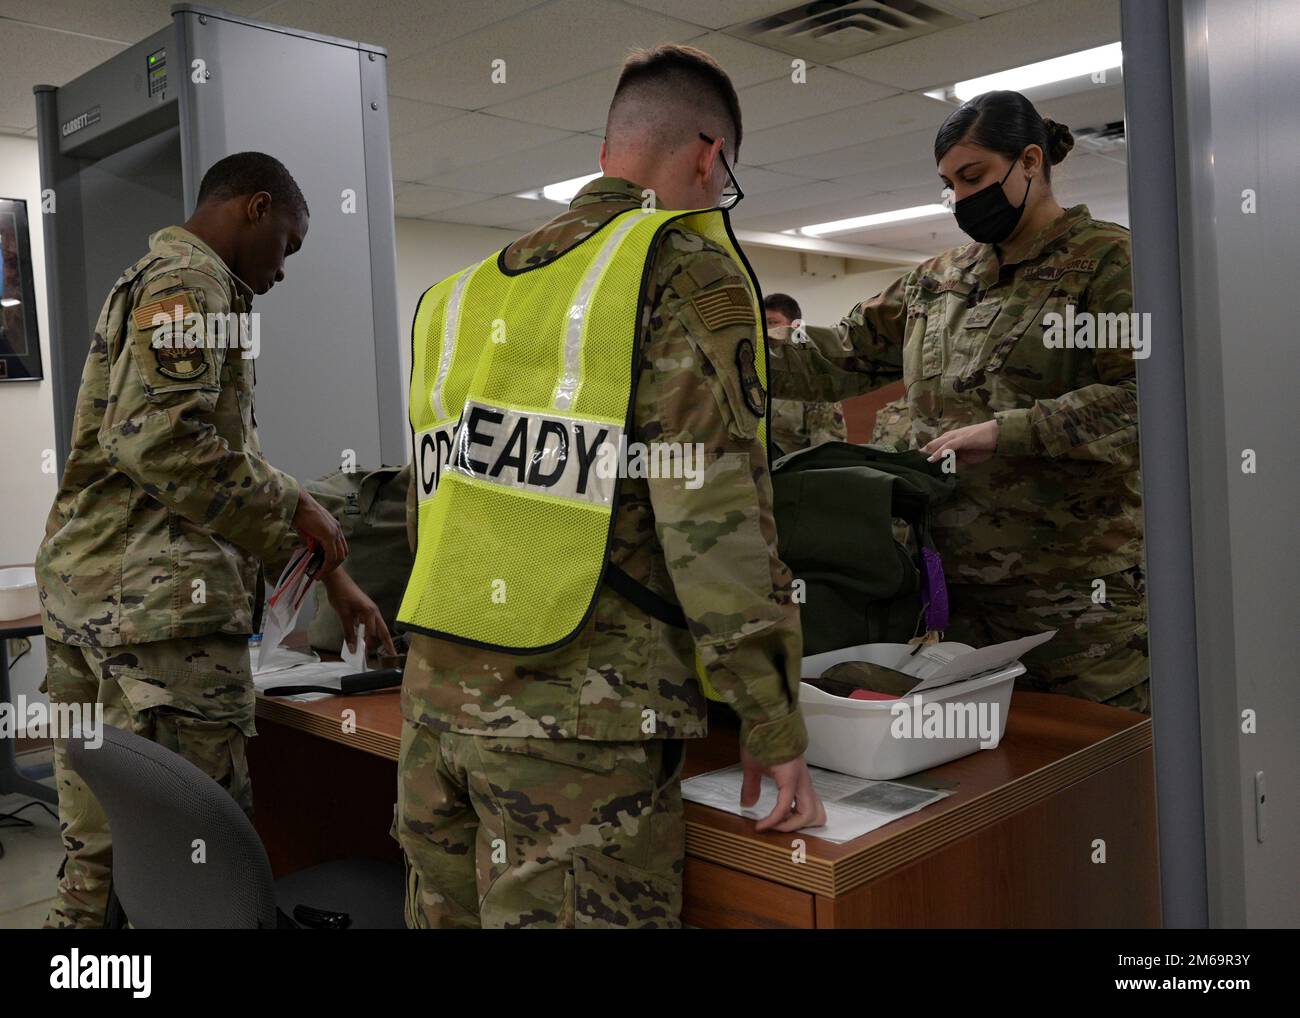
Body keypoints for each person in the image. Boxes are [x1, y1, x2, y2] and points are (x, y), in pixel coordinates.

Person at [394, 44, 825, 930]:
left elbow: (432, 506)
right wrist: (772, 722)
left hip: (435, 713)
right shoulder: (678, 266)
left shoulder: (462, 294)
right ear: (709, 157)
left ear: (605, 155)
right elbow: (713, 525)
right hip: (580, 733)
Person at [34, 151, 387, 928]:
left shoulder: (158, 281)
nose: (285, 271)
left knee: (96, 855)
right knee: (198, 868)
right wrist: (294, 504)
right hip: (162, 630)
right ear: (255, 208)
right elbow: (161, 443)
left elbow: (211, 456)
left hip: (97, 610)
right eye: (288, 244)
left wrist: (331, 572)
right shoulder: (190, 284)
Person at [768, 91, 1149, 713]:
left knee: (1102, 768)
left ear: (1030, 162)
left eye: (973, 177)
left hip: (1078, 596)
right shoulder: (938, 280)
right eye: (949, 184)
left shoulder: (1108, 260)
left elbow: (1148, 400)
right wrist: (720, 351)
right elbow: (838, 354)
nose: (961, 198)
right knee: (988, 767)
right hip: (957, 587)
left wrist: (1011, 431)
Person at [763, 293, 847, 456]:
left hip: (791, 473)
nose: (765, 330)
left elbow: (827, 451)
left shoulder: (814, 378)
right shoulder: (754, 372)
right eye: (762, 323)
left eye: (773, 323)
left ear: (796, 326)